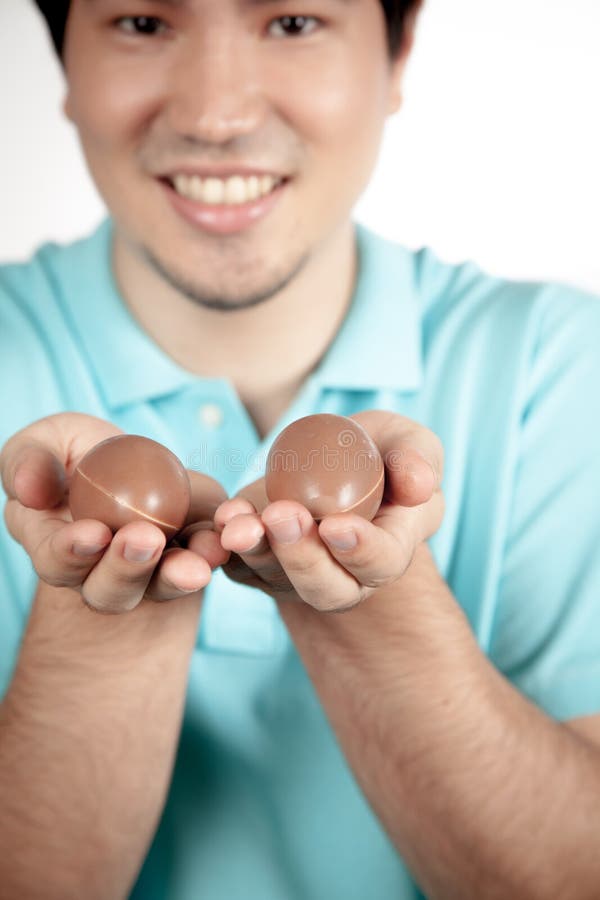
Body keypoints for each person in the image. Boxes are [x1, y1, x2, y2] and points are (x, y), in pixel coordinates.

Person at [1, 1, 600, 897]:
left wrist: (371, 605)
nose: (216, 114)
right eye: (140, 21)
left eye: (291, 22)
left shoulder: (557, 367)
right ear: (65, 65)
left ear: (397, 55)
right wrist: (106, 612)